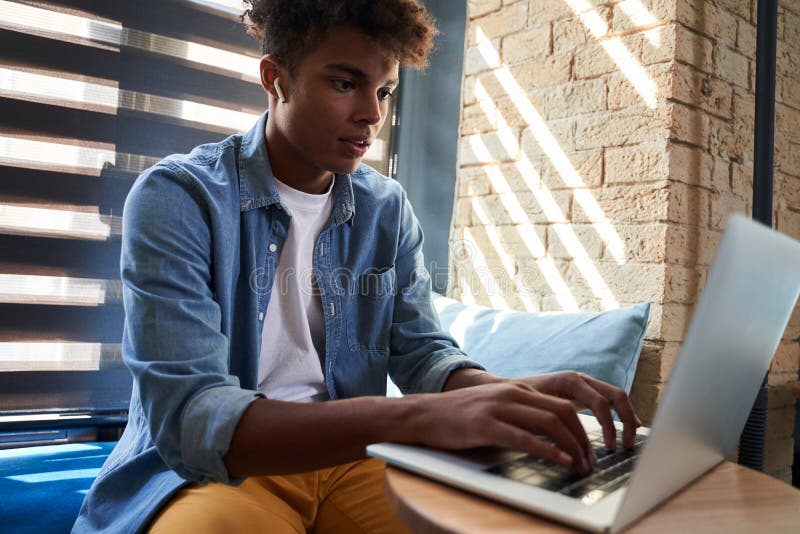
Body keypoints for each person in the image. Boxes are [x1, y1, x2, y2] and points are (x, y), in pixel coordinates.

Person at [73, 1, 640, 532]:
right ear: (276, 78)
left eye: (386, 90)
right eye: (345, 83)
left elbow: (421, 351)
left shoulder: (385, 208)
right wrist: (413, 419)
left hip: (354, 458)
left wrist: (507, 395)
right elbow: (194, 419)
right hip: (210, 475)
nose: (371, 114)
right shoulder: (179, 197)